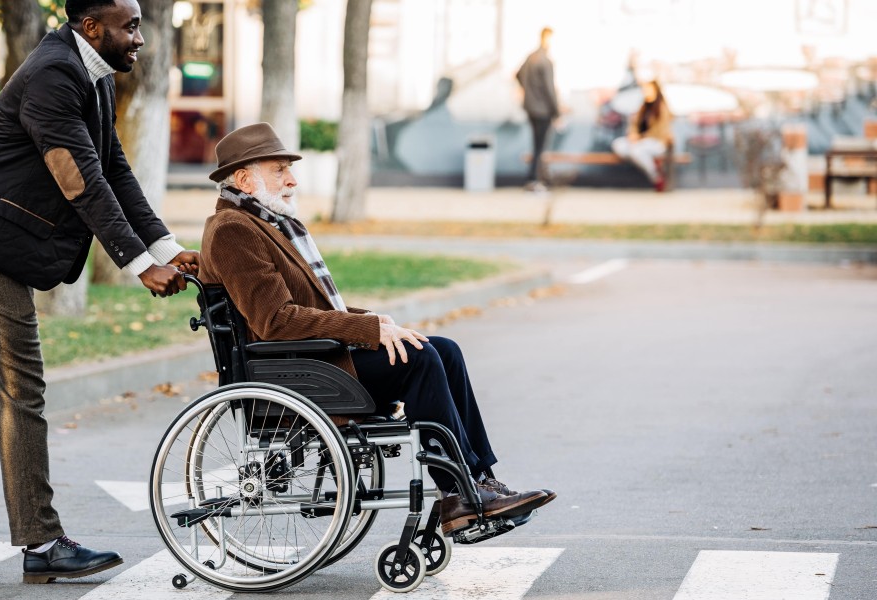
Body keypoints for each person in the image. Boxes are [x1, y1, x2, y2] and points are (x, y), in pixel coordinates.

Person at [0, 0, 199, 584]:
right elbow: (79, 178)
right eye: (130, 26)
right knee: (21, 389)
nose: (140, 38)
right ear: (91, 26)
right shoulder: (53, 75)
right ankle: (42, 543)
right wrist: (138, 265)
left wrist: (165, 247)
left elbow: (113, 168)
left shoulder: (92, 73)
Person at [198, 123, 555, 536]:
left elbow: (308, 306)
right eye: (280, 170)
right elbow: (275, 320)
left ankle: (481, 480)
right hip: (297, 370)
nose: (292, 179)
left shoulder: (264, 223)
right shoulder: (234, 230)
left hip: (316, 358)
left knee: (444, 349)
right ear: (245, 180)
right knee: (419, 358)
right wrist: (364, 328)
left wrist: (374, 320)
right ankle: (458, 494)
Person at [516, 27, 560, 193]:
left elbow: (518, 75)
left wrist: (529, 92)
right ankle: (534, 180)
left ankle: (534, 178)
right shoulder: (545, 61)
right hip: (543, 110)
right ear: (547, 39)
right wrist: (556, 111)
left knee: (536, 145)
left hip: (530, 107)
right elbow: (550, 89)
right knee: (540, 147)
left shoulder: (531, 57)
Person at [611, 79, 674, 192]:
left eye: (648, 89)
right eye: (644, 89)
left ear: (655, 90)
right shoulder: (642, 107)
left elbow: (660, 132)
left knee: (637, 151)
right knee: (619, 145)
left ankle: (656, 177)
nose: (645, 92)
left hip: (656, 143)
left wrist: (640, 138)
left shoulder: (662, 108)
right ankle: (648, 163)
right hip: (638, 143)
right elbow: (634, 126)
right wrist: (633, 134)